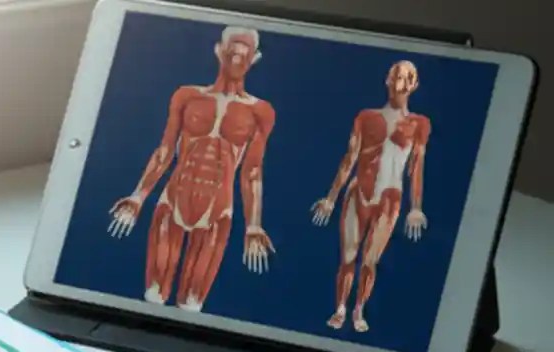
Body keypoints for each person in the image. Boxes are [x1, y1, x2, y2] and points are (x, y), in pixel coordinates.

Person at [107, 26, 277, 312]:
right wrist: (138, 196)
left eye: (244, 55)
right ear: (218, 52)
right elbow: (165, 149)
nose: (237, 59)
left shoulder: (260, 112)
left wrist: (254, 224)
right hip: (173, 199)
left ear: (254, 59)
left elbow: (252, 171)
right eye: (232, 52)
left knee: (192, 302)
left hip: (217, 209)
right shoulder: (187, 96)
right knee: (154, 294)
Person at [310, 60, 430, 333]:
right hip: (358, 193)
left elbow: (416, 167)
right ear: (387, 80)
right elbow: (350, 158)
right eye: (396, 76)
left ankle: (359, 308)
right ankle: (340, 307)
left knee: (370, 261)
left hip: (389, 198)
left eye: (406, 78)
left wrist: (416, 207)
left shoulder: (419, 123)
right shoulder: (366, 117)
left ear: (414, 85)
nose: (400, 82)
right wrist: (330, 197)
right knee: (348, 257)